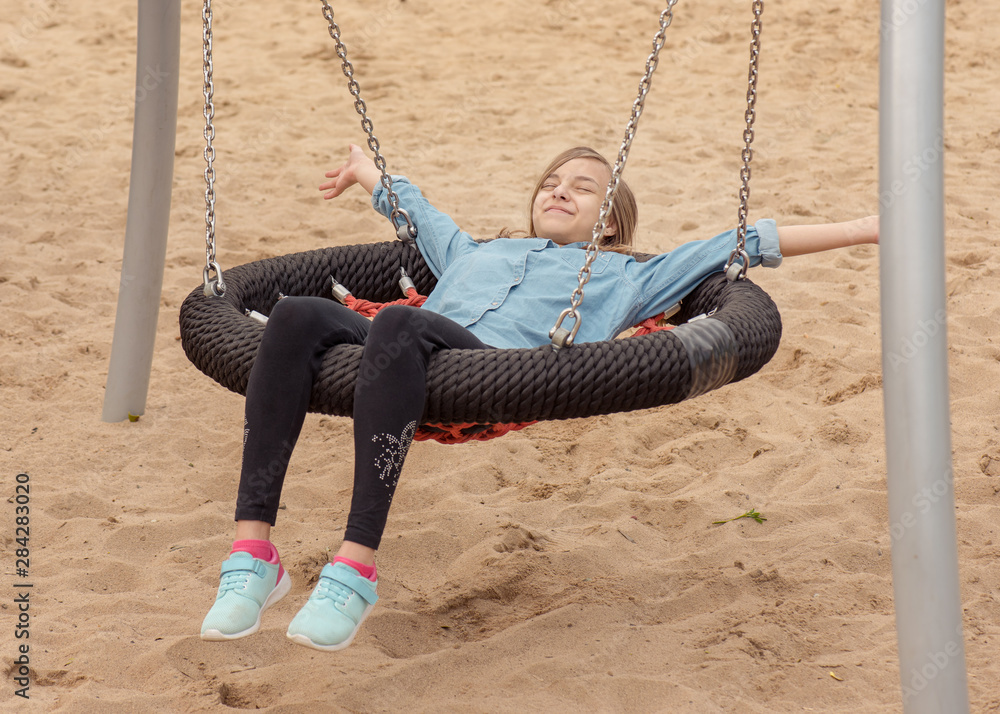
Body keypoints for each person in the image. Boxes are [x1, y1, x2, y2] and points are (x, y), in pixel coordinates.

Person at [200, 145, 879, 651]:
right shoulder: (472, 252)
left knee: (400, 321)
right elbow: (418, 212)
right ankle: (253, 554)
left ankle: (354, 566)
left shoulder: (627, 276)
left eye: (583, 188)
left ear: (610, 223)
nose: (560, 190)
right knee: (294, 317)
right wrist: (367, 172)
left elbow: (744, 242)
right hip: (399, 350)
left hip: (493, 368)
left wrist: (866, 229)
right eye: (551, 183)